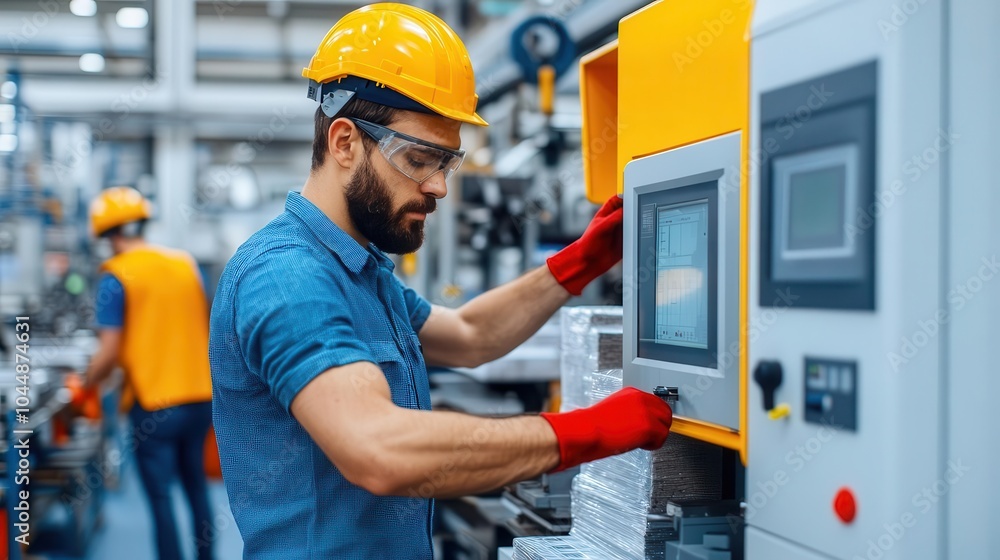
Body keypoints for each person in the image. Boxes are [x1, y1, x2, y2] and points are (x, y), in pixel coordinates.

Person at [209, 4, 673, 559]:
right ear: (344, 142)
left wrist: (578, 263)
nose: (438, 188)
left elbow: (471, 335)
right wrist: (587, 431)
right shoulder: (288, 277)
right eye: (420, 159)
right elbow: (378, 448)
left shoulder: (360, 269)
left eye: (446, 163)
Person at [84, 186, 215, 560]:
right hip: (200, 397)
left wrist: (84, 385)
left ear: (108, 234)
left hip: (155, 404)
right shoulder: (184, 264)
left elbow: (108, 352)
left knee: (160, 497)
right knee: (196, 488)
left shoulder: (115, 276)